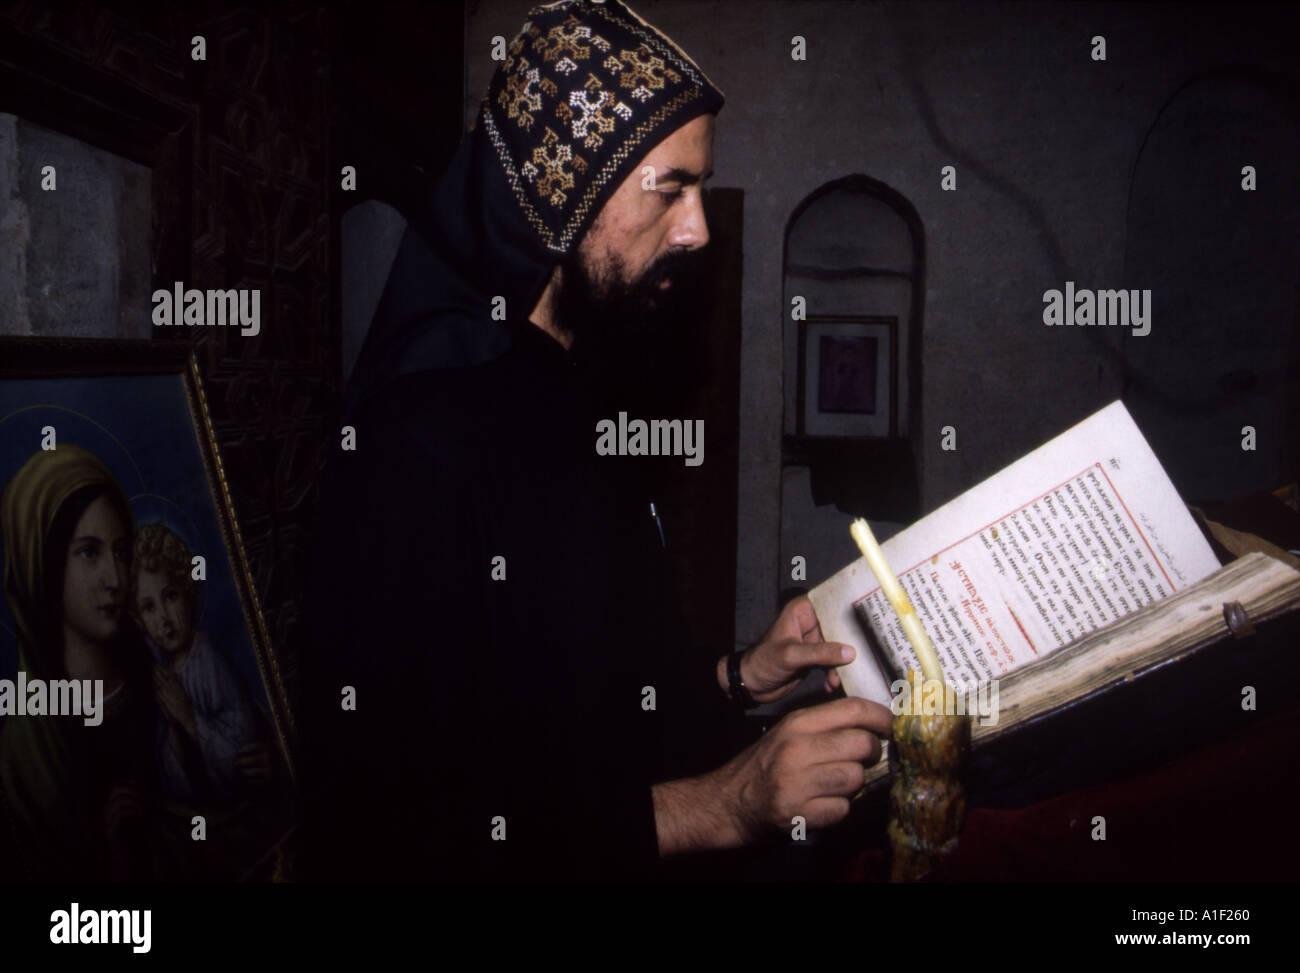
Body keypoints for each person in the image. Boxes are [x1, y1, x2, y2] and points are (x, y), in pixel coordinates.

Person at [300, 0, 891, 881]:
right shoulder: (414, 442)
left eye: (702, 189)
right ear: (558, 190)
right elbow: (397, 832)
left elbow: (582, 702)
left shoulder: (573, 382)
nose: (696, 228)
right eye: (672, 187)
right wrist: (726, 805)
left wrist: (739, 677)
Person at [0, 445, 180, 880]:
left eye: (120, 551)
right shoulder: (25, 748)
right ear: (40, 563)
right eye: (88, 552)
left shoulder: (156, 675)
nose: (114, 579)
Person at [130, 522, 271, 805]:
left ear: (187, 591)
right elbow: (174, 779)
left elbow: (243, 757)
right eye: (149, 607)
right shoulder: (163, 672)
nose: (164, 618)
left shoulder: (207, 658)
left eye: (170, 596)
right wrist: (175, 736)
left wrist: (188, 718)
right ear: (139, 620)